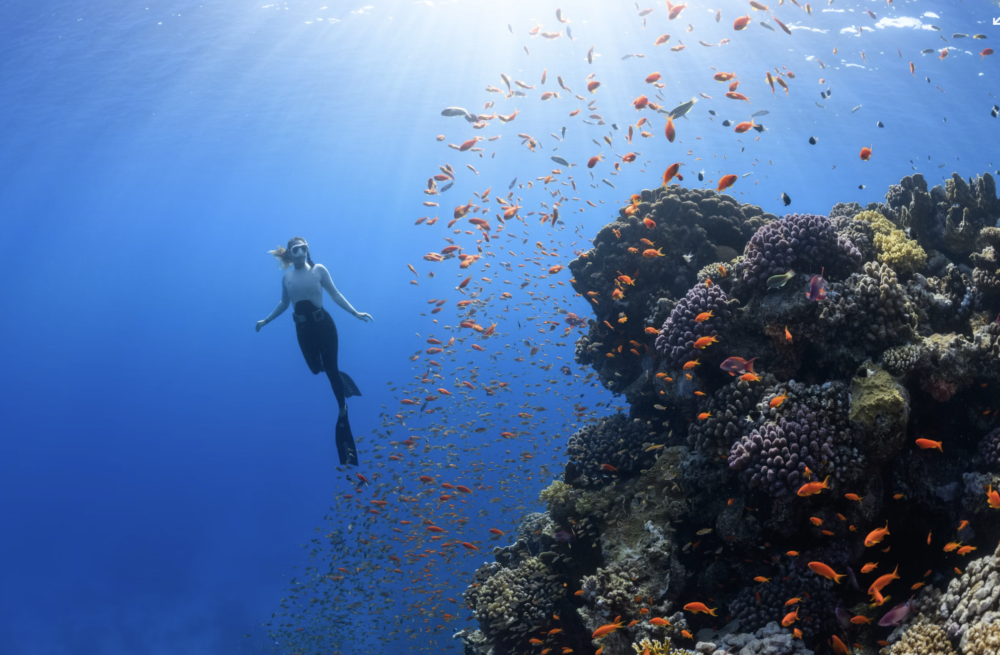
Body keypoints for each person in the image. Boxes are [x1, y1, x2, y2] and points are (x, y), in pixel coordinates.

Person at [256, 237, 373, 466]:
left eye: (304, 248)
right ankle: (335, 374)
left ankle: (342, 408)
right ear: (290, 253)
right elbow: (283, 304)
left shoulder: (318, 270)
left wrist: (356, 313)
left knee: (330, 369)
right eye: (295, 249)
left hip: (324, 326)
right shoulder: (287, 278)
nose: (300, 252)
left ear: (307, 251)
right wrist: (266, 320)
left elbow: (335, 294)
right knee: (315, 369)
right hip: (302, 330)